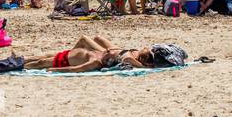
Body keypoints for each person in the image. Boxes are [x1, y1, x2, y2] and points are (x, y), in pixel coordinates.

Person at [20, 35, 155, 72]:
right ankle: (25, 59)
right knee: (96, 38)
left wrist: (145, 66)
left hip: (100, 55)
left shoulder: (131, 58)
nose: (146, 47)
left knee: (84, 39)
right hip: (103, 53)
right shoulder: (133, 52)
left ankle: (68, 57)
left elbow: (140, 65)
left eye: (147, 50)